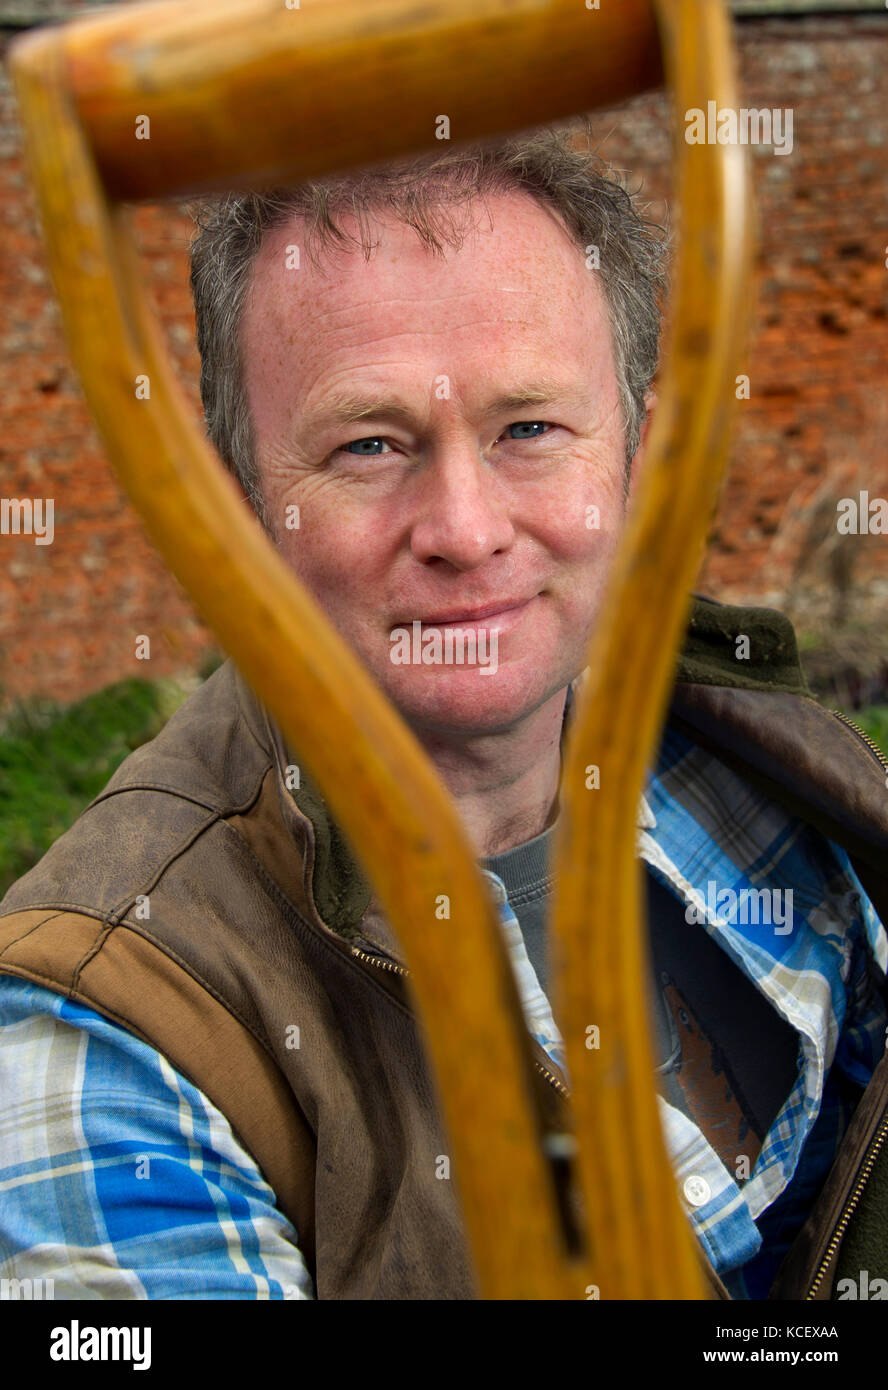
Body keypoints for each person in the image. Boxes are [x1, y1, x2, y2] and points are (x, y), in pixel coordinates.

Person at [0, 120, 886, 1301]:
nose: (466, 531)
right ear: (237, 511)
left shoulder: (738, 733)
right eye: (369, 445)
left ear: (643, 454)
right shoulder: (103, 1037)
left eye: (529, 428)